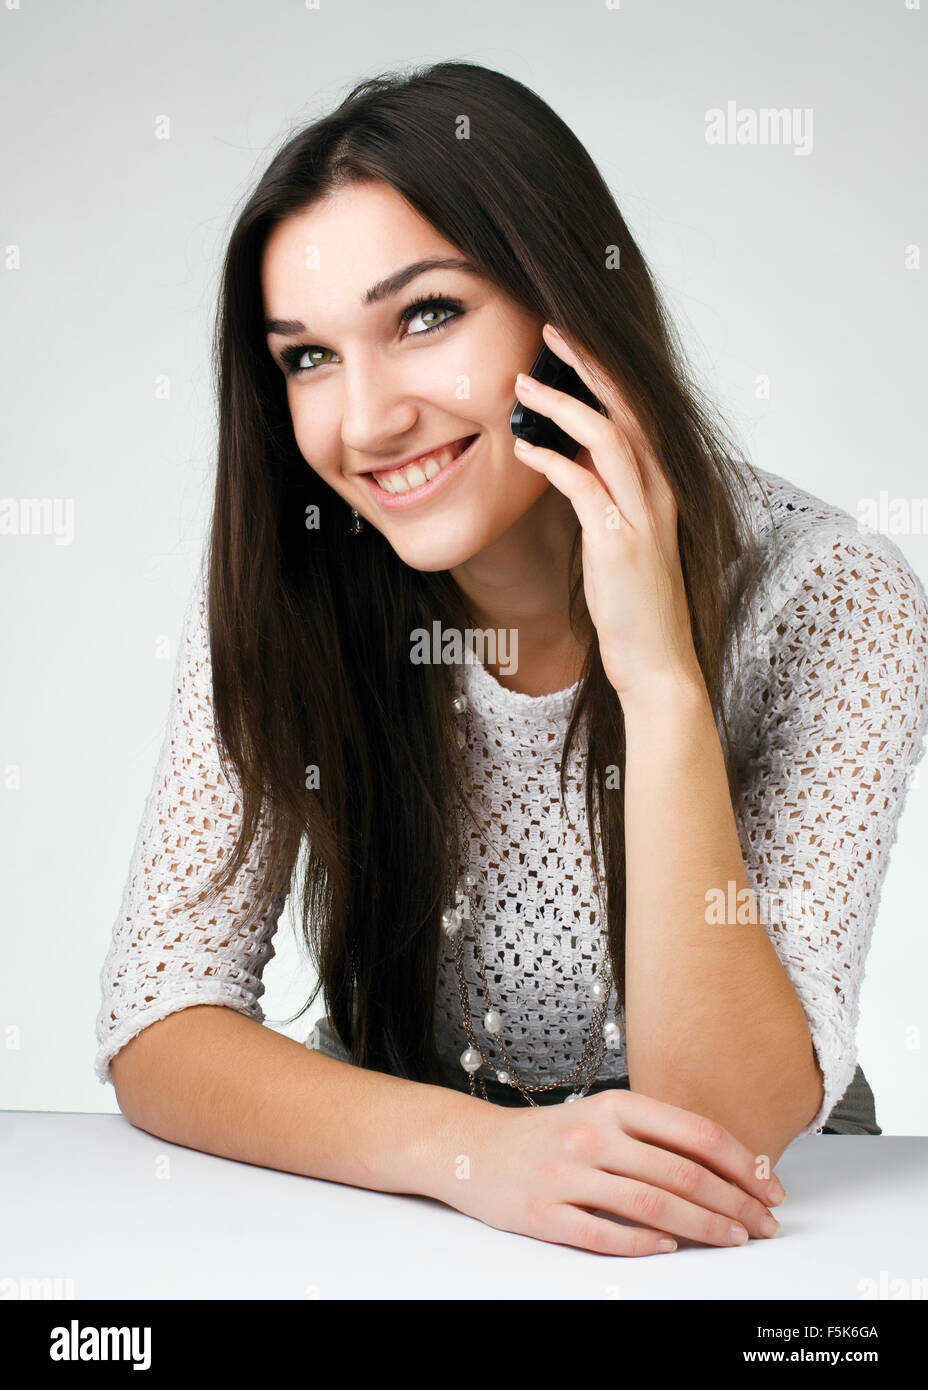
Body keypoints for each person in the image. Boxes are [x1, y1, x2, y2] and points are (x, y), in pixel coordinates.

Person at [95, 61, 928, 1258]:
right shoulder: (293, 582)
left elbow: (720, 1130)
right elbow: (158, 1019)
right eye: (307, 358)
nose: (368, 419)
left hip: (770, 1243)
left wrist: (658, 678)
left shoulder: (830, 595)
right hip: (419, 1220)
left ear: (565, 301)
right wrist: (473, 1153)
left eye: (425, 316)